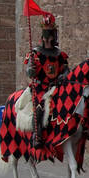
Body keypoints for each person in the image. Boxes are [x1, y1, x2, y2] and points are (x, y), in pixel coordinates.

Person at [24, 13, 69, 145]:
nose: (48, 41)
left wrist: (64, 74)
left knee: (71, 102)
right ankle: (36, 136)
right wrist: (31, 69)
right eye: (46, 37)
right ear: (42, 38)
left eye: (51, 37)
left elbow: (66, 69)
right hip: (40, 88)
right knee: (40, 107)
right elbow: (29, 73)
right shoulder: (35, 54)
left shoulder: (60, 54)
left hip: (56, 87)